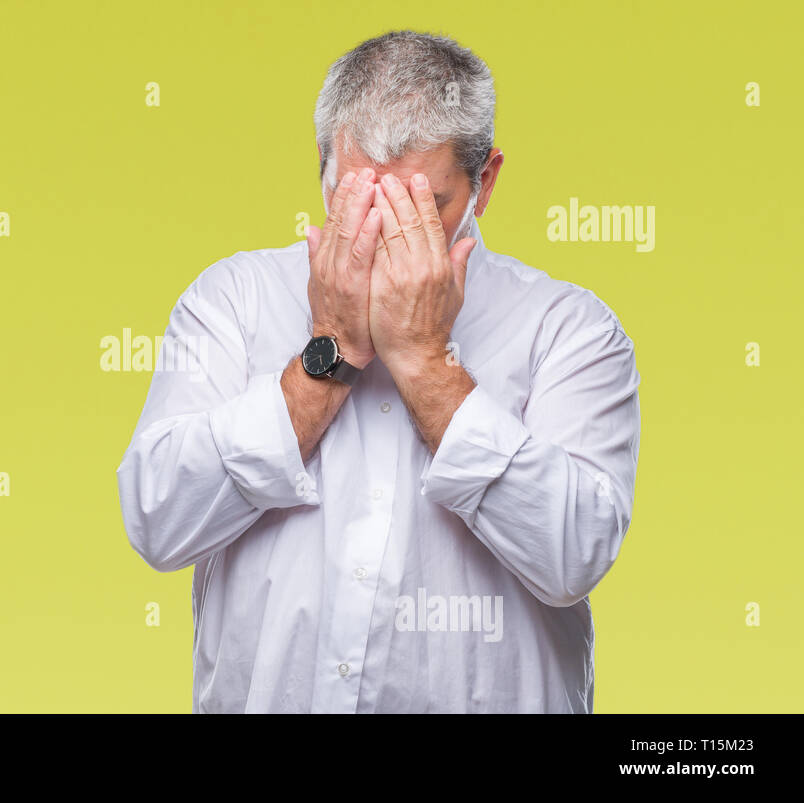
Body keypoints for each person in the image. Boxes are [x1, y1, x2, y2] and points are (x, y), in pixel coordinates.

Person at [116, 30, 641, 713]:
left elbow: (573, 555)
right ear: (324, 165)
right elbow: (158, 520)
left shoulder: (571, 329)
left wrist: (426, 362)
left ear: (484, 184)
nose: (388, 235)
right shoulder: (232, 299)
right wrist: (328, 351)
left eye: (424, 208)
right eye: (361, 201)